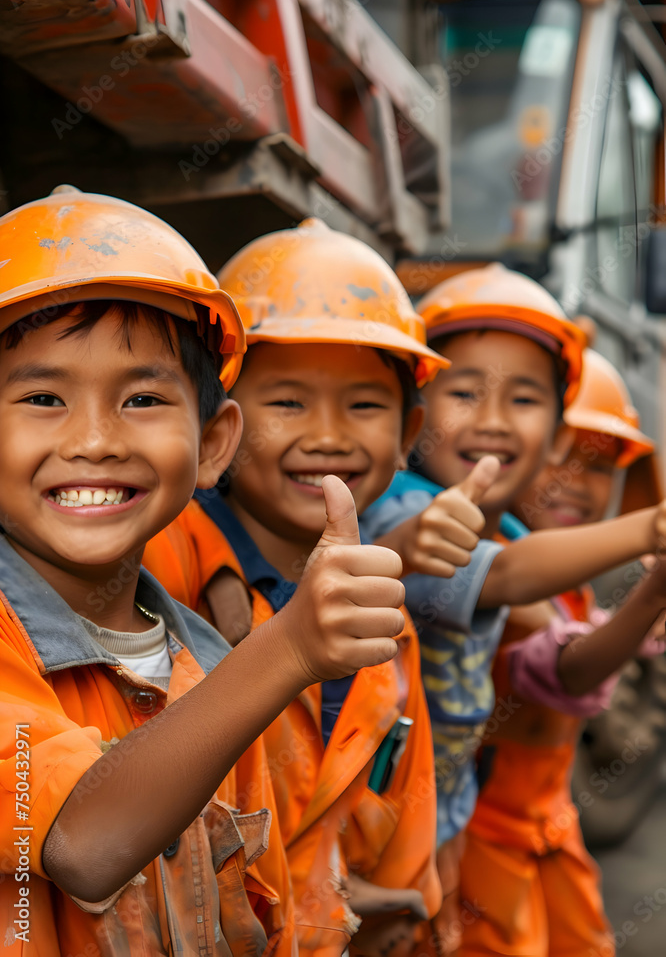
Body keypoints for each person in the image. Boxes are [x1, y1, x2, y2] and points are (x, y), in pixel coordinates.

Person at [0, 189, 408, 956]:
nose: (94, 440)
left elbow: (262, 916)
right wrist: (287, 651)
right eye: (44, 397)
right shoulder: (253, 668)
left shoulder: (212, 672)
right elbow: (83, 847)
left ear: (215, 443)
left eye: (144, 398)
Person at [143, 218, 446, 956]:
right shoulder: (161, 559)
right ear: (219, 425)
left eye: (364, 406)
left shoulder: (385, 624)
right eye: (288, 403)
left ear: (408, 434)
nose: (329, 434)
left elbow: (405, 823)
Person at [360, 266, 666, 953]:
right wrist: (648, 531)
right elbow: (509, 580)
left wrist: (648, 597)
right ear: (413, 414)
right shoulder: (402, 506)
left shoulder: (519, 542)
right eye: (464, 392)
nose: (493, 419)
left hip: (444, 814)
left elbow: (564, 659)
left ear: (555, 432)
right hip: (373, 817)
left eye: (523, 399)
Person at [455, 348, 664, 957]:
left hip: (550, 829)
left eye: (601, 466)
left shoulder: (566, 579)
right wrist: (652, 592)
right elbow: (570, 670)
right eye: (565, 457)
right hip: (483, 840)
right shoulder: (490, 565)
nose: (577, 481)